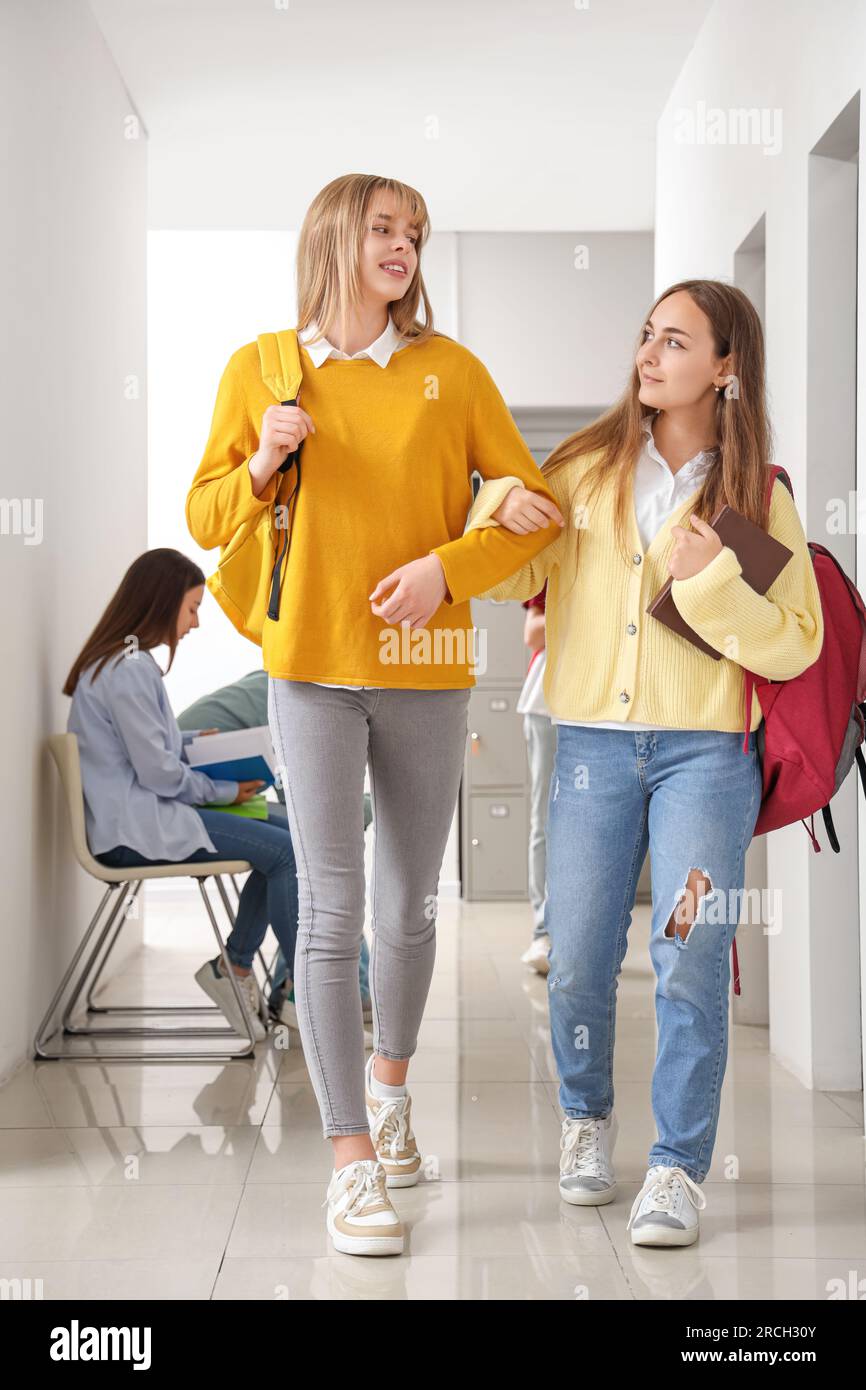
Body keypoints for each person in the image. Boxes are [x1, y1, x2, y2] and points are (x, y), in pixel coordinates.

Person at [185, 172, 563, 1256]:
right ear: (335, 239)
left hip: (430, 663)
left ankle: (390, 1094)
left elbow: (530, 512)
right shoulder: (264, 368)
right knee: (330, 908)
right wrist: (262, 455)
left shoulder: (453, 372)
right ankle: (349, 1159)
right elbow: (207, 512)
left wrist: (446, 571)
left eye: (413, 233)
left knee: (406, 908)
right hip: (309, 666)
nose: (401, 246)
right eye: (382, 228)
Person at [465, 279, 823, 1248]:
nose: (648, 354)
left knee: (687, 954)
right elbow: (513, 578)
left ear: (724, 366)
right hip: (587, 749)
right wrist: (499, 508)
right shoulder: (583, 467)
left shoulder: (757, 494)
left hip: (704, 760)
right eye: (644, 336)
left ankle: (674, 1168)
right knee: (577, 953)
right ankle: (585, 1120)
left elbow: (792, 643)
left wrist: (705, 580)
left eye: (674, 340)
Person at [63, 549, 300, 1044]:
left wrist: (195, 744)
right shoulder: (127, 669)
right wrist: (228, 790)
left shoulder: (126, 664)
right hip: (135, 831)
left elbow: (152, 755)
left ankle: (238, 968)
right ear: (163, 602)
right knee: (288, 852)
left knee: (292, 838)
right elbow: (161, 777)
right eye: (192, 608)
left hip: (145, 815)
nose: (193, 624)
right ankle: (299, 995)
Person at [176, 670, 375, 1031]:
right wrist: (374, 807)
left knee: (295, 847)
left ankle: (244, 967)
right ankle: (310, 993)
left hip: (205, 794)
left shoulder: (284, 683)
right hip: (190, 801)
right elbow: (304, 802)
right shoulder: (298, 696)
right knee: (300, 848)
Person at [516, 584, 555, 976]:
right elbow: (532, 633)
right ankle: (543, 932)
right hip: (547, 703)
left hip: (604, 704)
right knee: (545, 821)